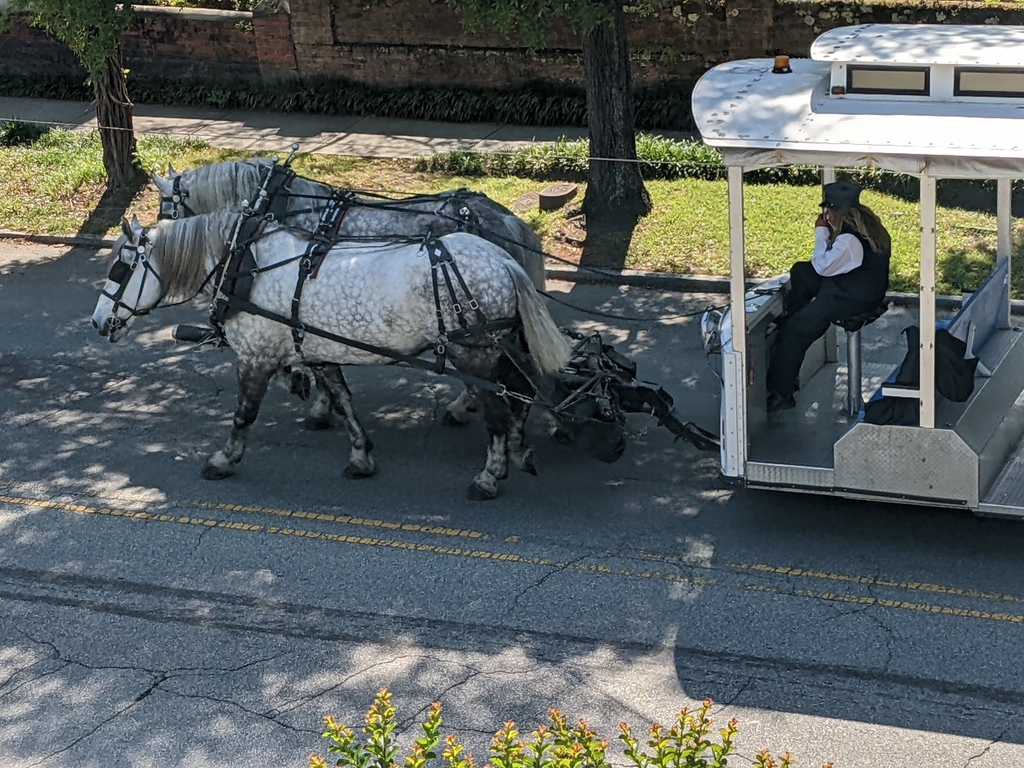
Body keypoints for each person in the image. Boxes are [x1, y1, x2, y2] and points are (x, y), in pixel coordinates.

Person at [766, 181, 892, 412]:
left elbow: (823, 266)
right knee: (802, 272)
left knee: (794, 333)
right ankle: (795, 314)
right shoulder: (868, 227)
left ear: (832, 212)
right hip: (858, 289)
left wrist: (821, 232)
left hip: (851, 299)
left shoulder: (849, 240)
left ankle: (781, 392)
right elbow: (816, 270)